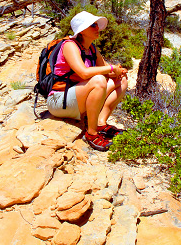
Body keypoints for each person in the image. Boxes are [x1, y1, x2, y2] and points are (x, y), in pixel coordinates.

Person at [45, 12, 135, 149]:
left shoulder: (92, 48)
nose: (97, 28)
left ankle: (101, 123)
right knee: (98, 80)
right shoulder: (70, 46)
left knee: (121, 81)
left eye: (97, 25)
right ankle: (92, 133)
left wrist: (117, 71)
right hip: (59, 100)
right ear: (82, 30)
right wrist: (110, 68)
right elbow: (84, 73)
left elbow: (107, 71)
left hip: (77, 96)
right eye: (93, 25)